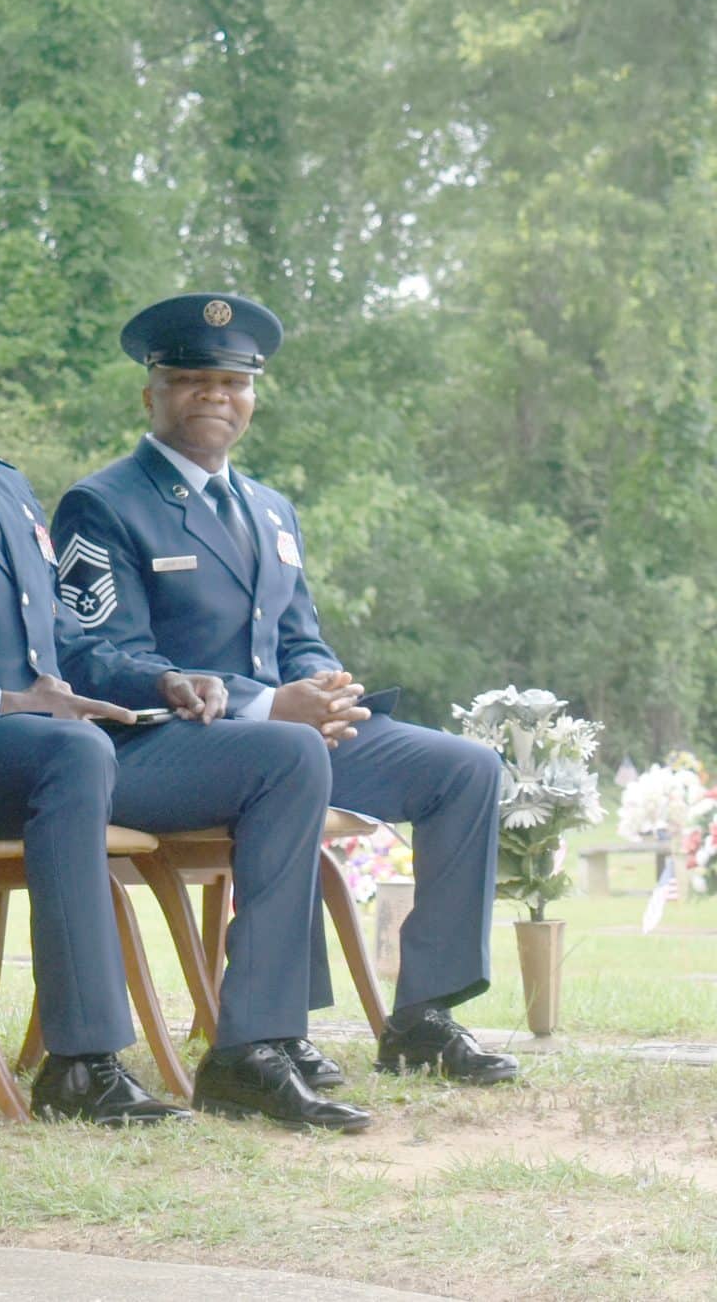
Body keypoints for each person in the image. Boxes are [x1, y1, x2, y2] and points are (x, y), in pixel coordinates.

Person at [0, 243, 369, 1131]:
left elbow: (76, 644)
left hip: (60, 756)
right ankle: (82, 1066)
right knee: (72, 747)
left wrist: (166, 677)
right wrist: (5, 703)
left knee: (282, 754)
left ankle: (252, 1049)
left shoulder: (6, 488)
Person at [51, 293, 517, 1086]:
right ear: (151, 392)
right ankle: (266, 1038)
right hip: (162, 745)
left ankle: (424, 1018)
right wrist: (266, 704)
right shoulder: (104, 504)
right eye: (193, 380)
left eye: (231, 384)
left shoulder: (270, 511)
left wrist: (324, 688)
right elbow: (95, 655)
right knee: (289, 749)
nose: (215, 398)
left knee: (466, 769)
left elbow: (297, 635)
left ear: (253, 397)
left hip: (288, 736)